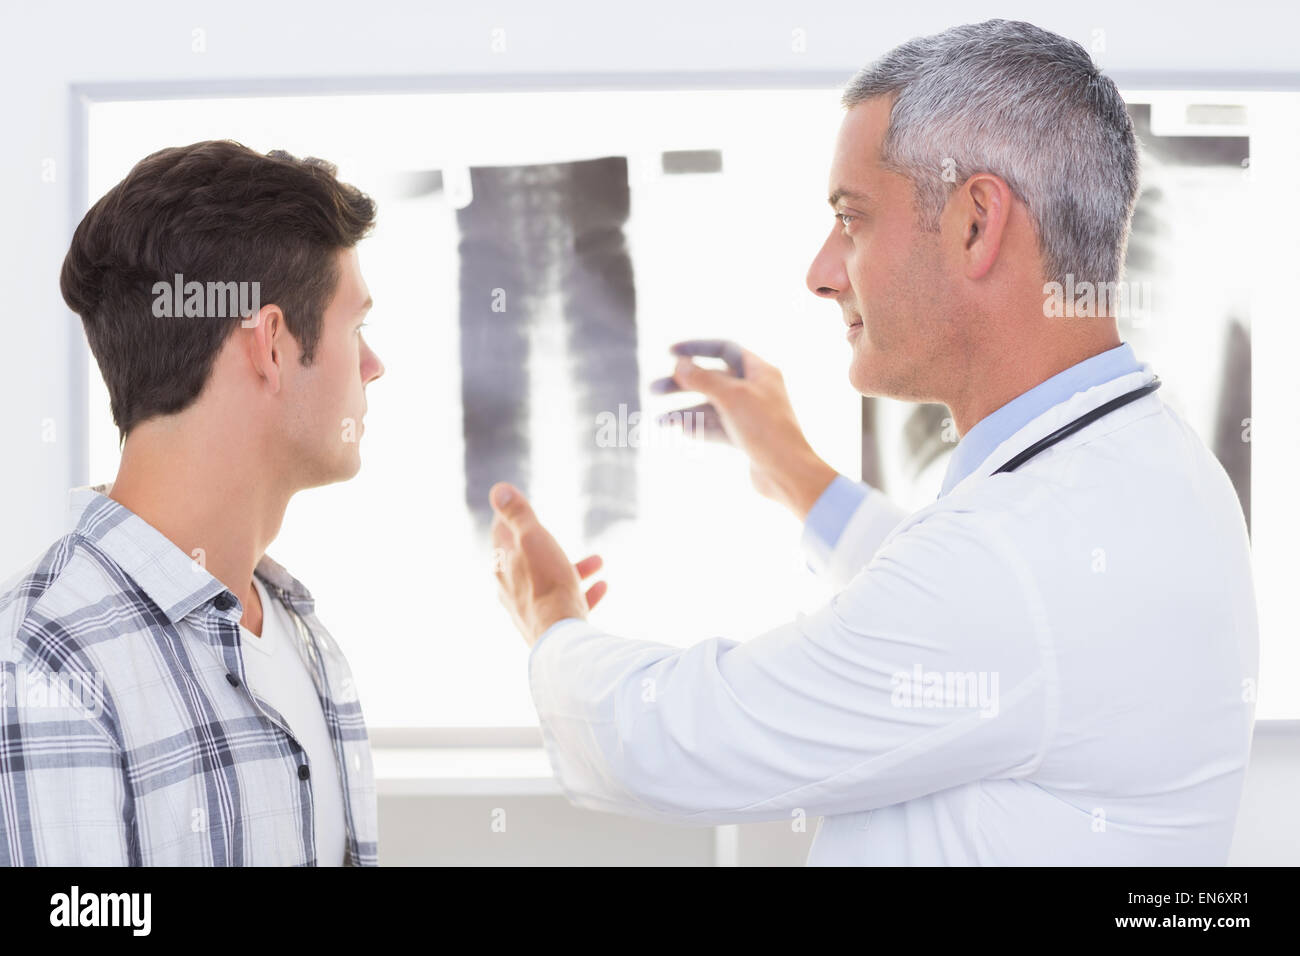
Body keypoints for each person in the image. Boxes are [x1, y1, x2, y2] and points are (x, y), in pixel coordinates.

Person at [489, 20, 1259, 865]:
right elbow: (965, 620)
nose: (821, 273)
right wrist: (796, 475)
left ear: (976, 224)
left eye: (851, 219)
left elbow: (674, 739)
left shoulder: (1009, 566)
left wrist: (552, 622)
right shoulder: (1155, 471)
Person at [0, 141, 385, 865]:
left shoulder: (304, 638)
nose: (373, 365)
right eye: (355, 328)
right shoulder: (44, 664)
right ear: (271, 343)